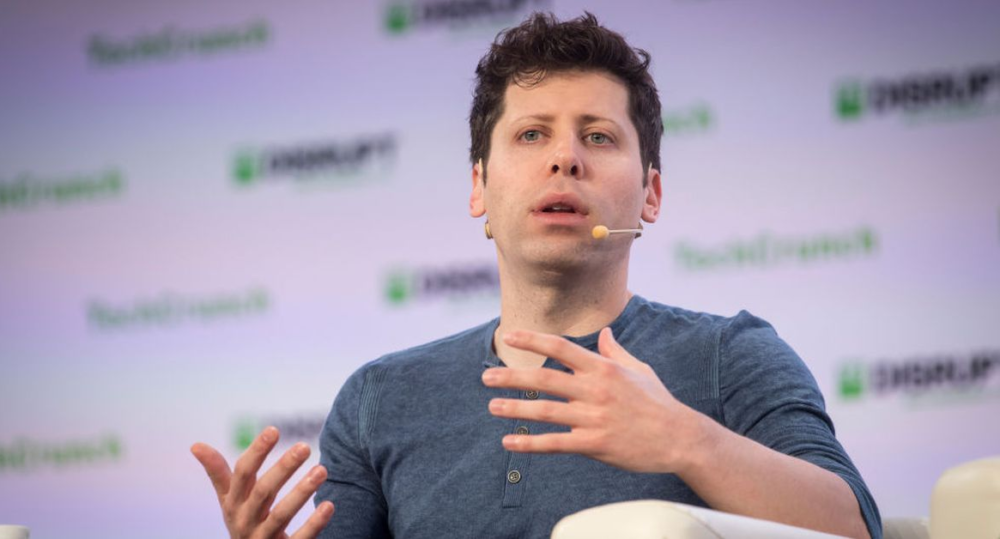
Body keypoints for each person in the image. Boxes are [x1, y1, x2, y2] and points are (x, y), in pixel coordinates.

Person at [191, 12, 882, 539]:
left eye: (598, 136)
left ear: (650, 194)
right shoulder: (380, 397)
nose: (565, 159)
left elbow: (855, 528)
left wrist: (685, 440)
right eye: (531, 134)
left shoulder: (731, 355)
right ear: (479, 187)